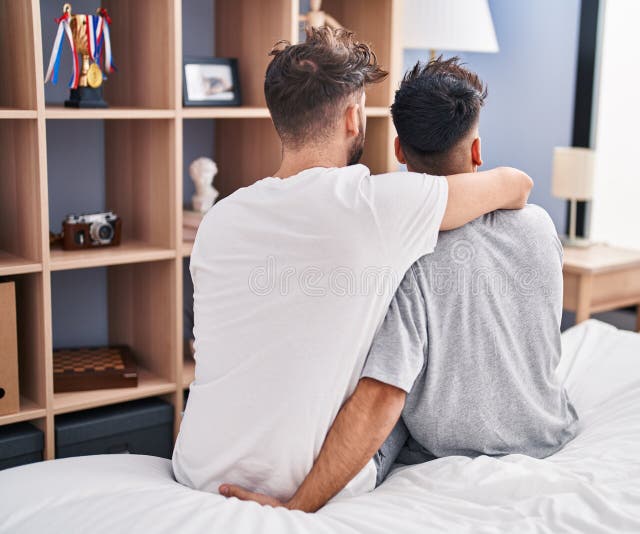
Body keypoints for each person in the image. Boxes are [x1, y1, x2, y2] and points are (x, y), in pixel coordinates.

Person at [172, 30, 533, 502]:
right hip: (296, 484)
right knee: (398, 381)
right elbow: (516, 186)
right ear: (351, 117)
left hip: (196, 470)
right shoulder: (377, 205)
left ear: (279, 119)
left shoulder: (218, 220)